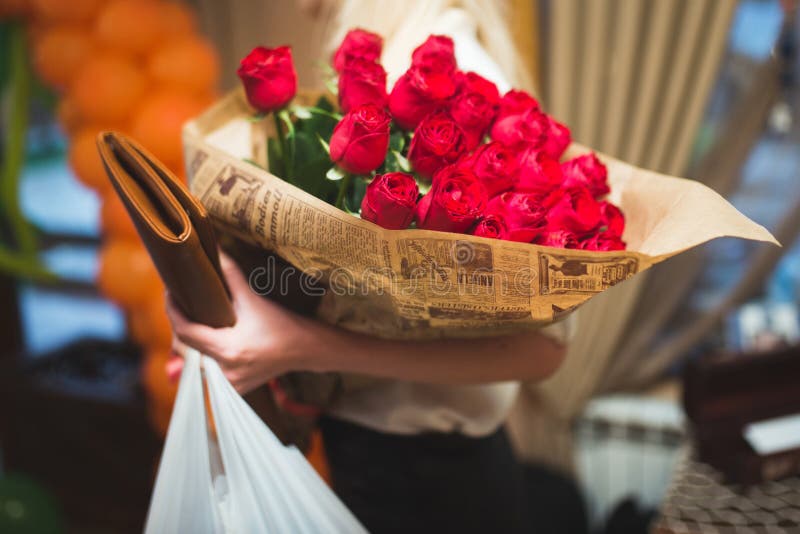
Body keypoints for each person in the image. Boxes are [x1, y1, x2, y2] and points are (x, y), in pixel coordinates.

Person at [167, 2, 580, 532]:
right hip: (375, 456)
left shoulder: (439, 63)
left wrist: (299, 347)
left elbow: (545, 349)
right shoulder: (391, 41)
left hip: (431, 485)